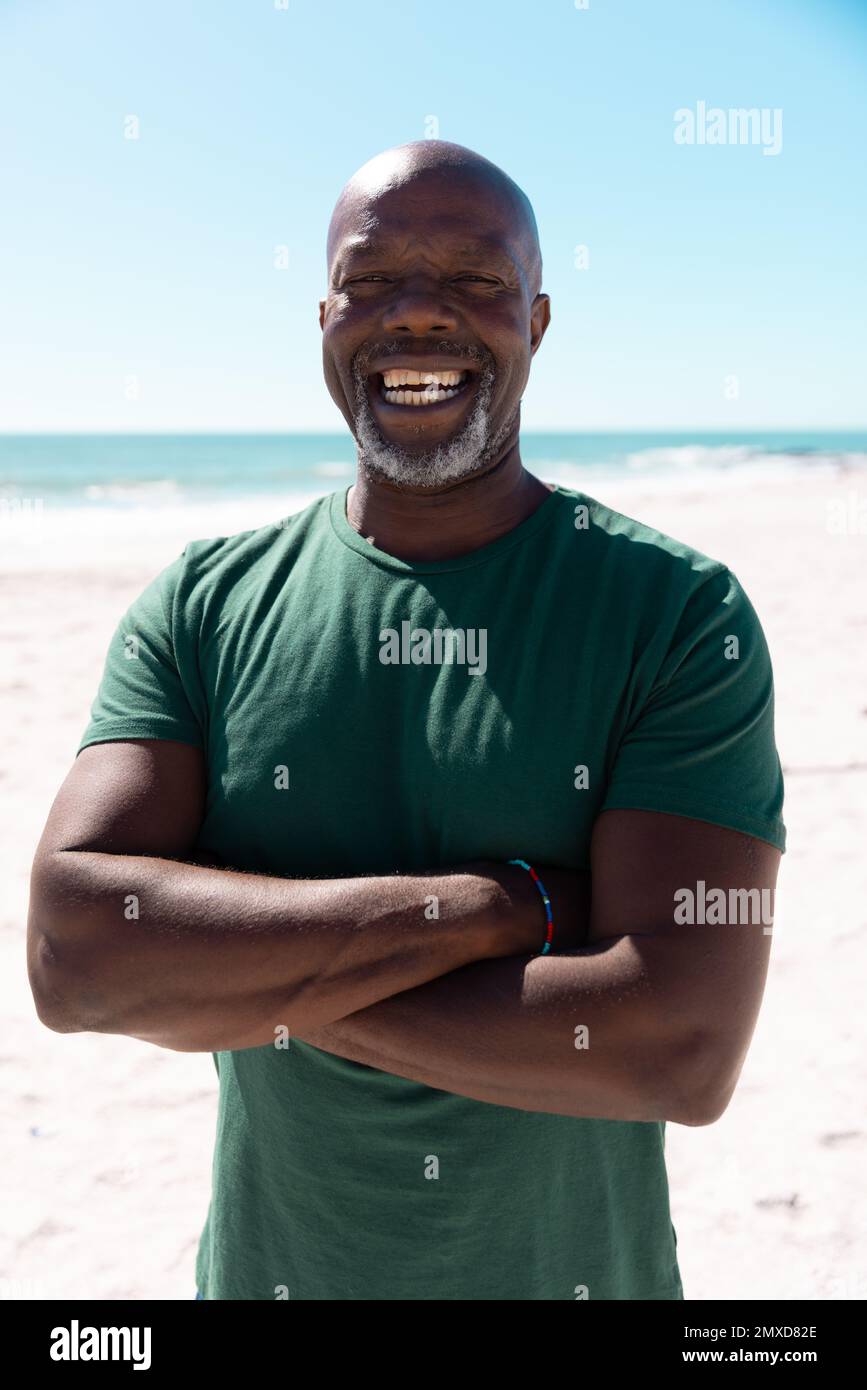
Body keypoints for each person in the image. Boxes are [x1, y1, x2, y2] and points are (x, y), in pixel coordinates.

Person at [27, 140, 785, 1301]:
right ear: (323, 314)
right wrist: (504, 907)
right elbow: (74, 954)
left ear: (538, 317)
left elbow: (676, 1045)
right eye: (373, 280)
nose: (419, 315)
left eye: (475, 279)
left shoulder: (675, 615)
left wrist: (238, 975)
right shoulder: (204, 602)